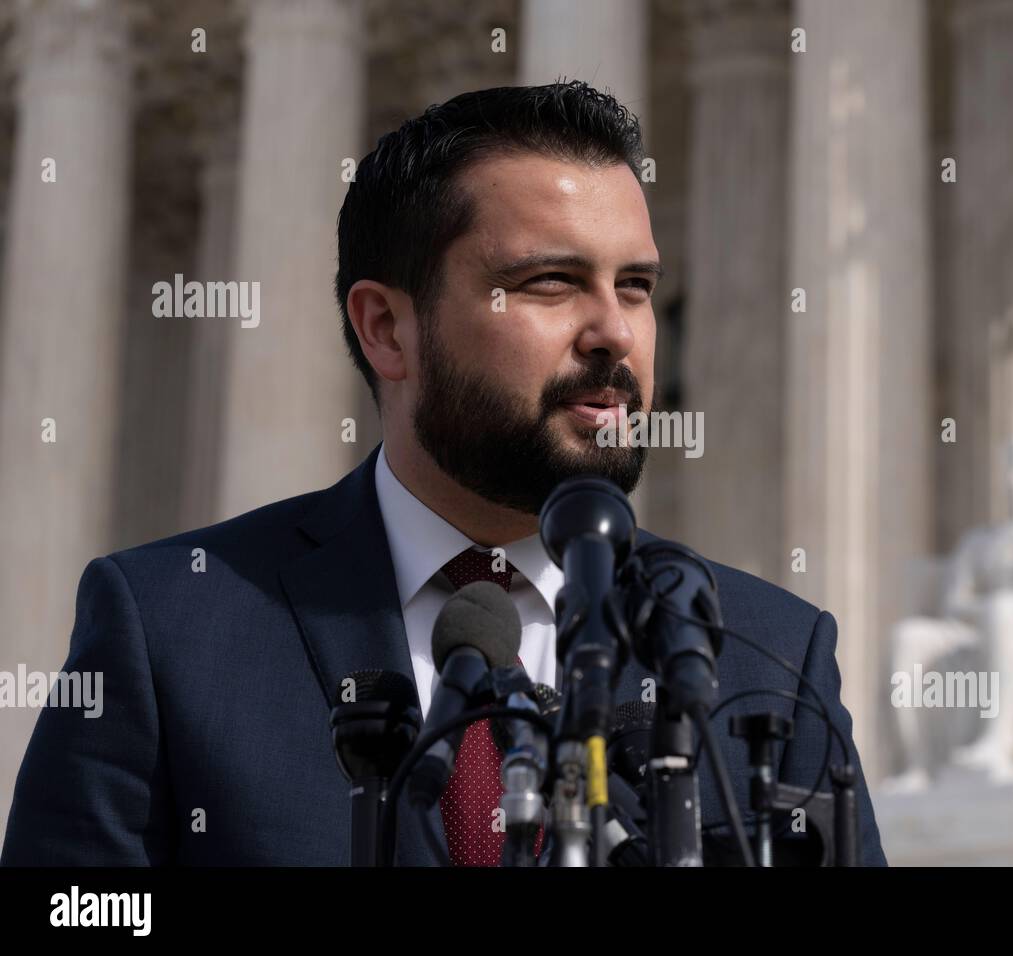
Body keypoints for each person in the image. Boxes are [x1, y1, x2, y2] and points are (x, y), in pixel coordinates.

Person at [2, 81, 886, 867]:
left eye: (637, 287)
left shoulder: (766, 655)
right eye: (550, 281)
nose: (615, 331)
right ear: (388, 328)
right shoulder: (171, 630)